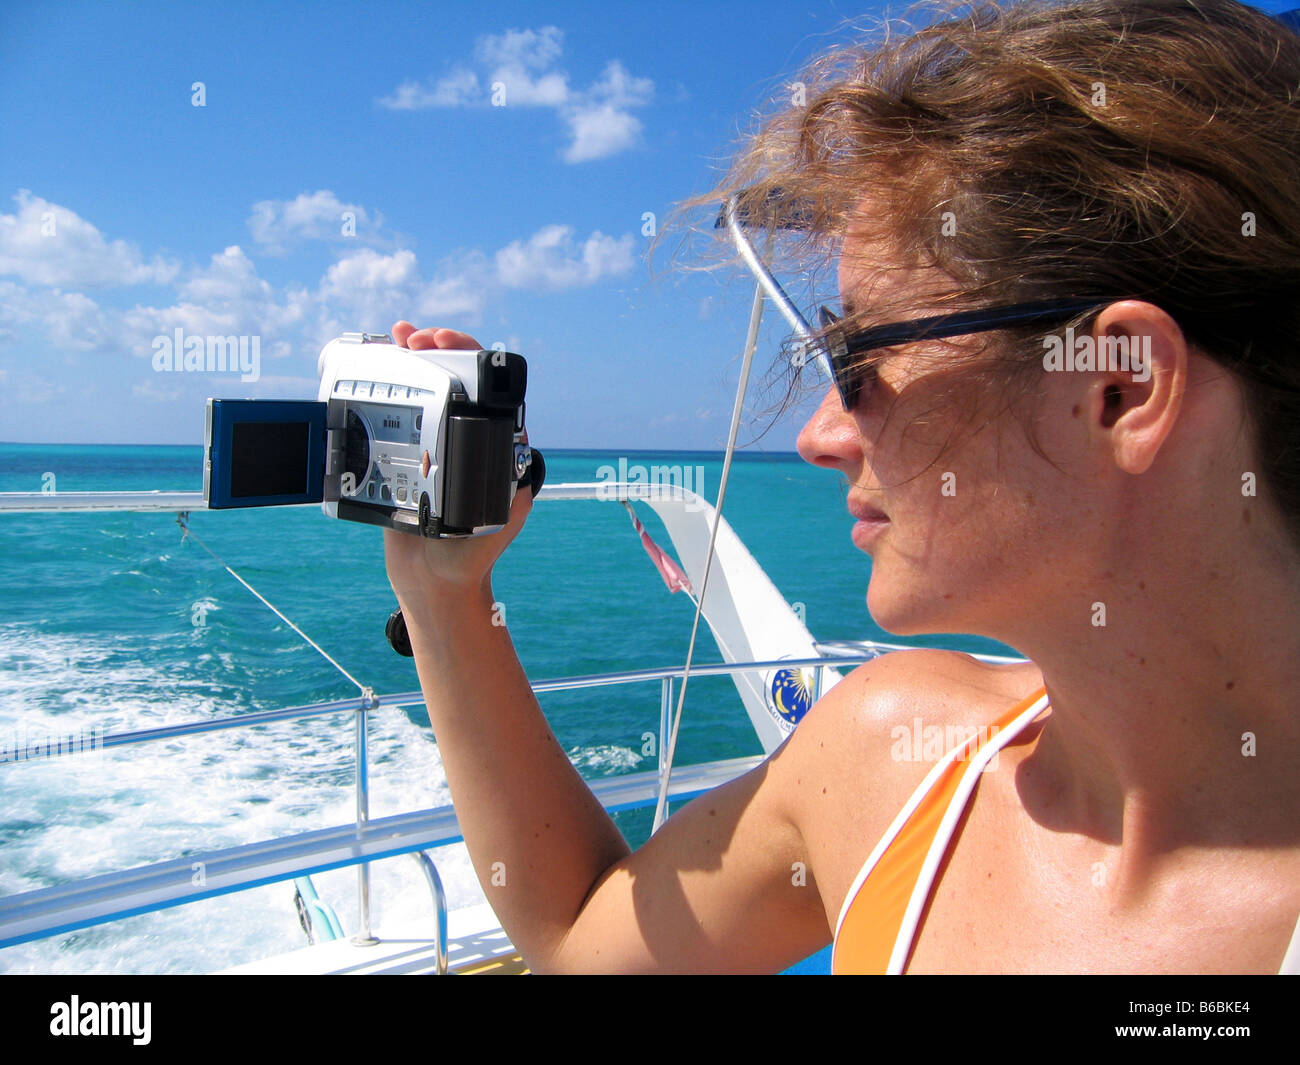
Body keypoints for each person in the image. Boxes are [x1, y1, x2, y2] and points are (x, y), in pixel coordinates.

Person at [381, 0, 1300, 973]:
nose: (819, 437)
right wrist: (442, 594)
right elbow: (577, 935)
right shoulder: (886, 757)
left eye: (861, 359)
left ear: (1117, 387)